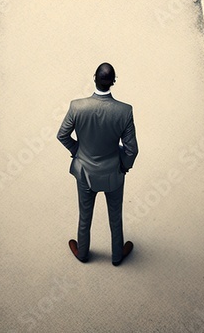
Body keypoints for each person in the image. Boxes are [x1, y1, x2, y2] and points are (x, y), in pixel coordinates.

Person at [57, 62, 138, 265]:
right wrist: (124, 166)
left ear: (94, 77)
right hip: (113, 172)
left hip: (84, 172)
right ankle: (117, 255)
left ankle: (82, 253)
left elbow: (62, 135)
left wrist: (78, 151)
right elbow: (132, 149)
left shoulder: (77, 106)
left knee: (85, 216)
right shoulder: (125, 111)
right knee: (115, 216)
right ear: (114, 82)